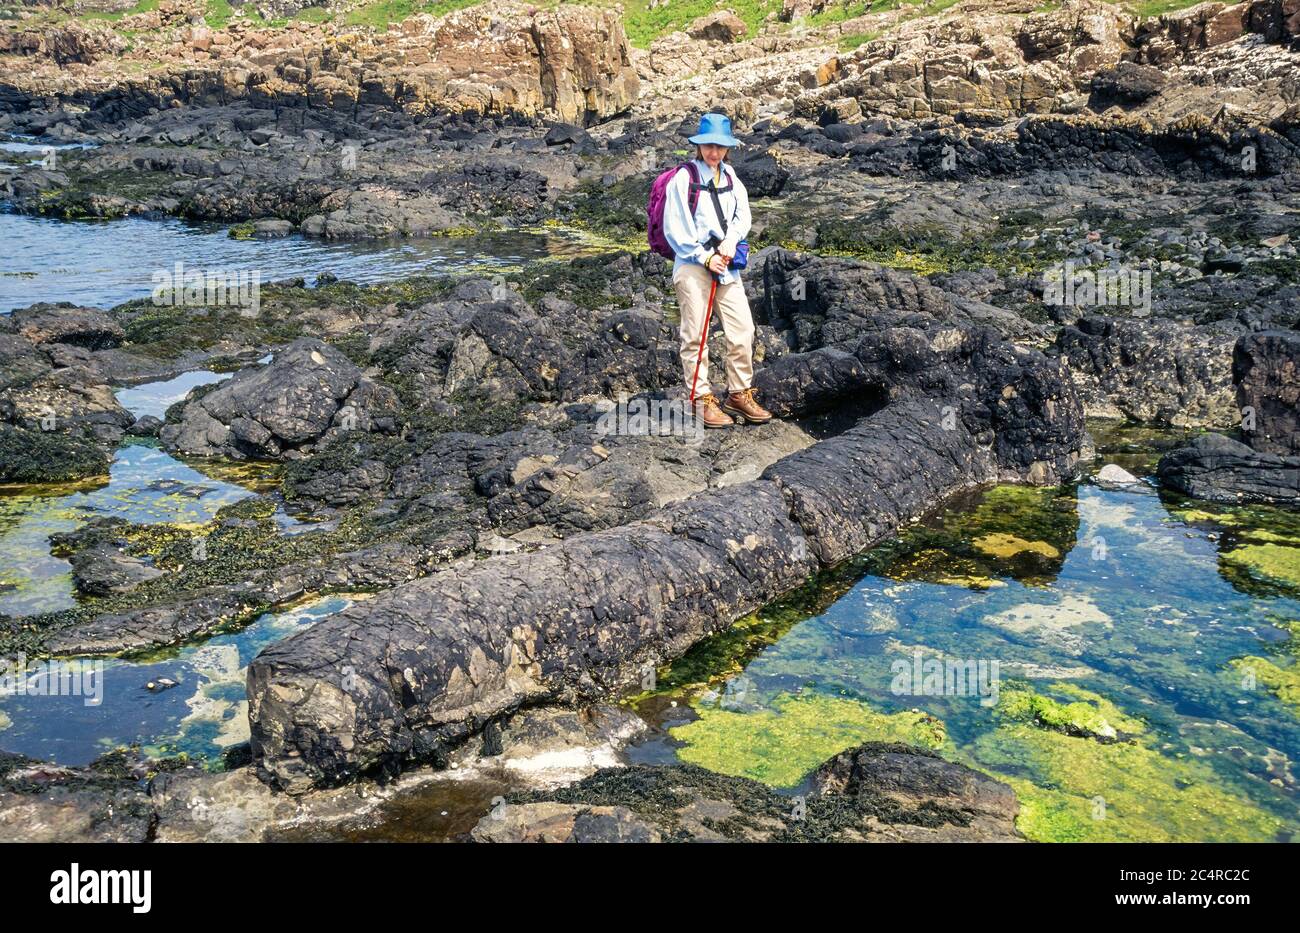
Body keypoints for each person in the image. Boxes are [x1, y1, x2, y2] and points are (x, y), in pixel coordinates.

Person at [662, 112, 773, 429]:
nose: (714, 152)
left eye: (720, 146)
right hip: (693, 266)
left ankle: (738, 394)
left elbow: (743, 217)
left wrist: (730, 241)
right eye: (709, 145)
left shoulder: (731, 177)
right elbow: (675, 228)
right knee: (695, 336)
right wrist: (704, 257)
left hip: (726, 267)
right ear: (699, 146)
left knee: (743, 330)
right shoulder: (683, 179)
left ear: (728, 148)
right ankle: (701, 400)